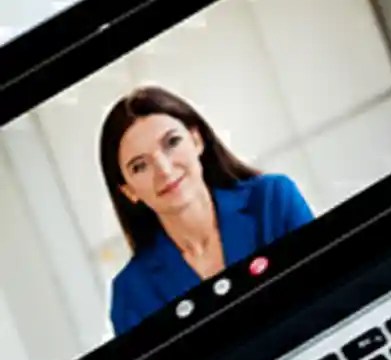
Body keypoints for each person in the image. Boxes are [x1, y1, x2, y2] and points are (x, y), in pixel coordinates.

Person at [101, 86, 314, 335]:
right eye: (140, 166)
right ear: (128, 191)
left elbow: (326, 289)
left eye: (172, 142)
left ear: (197, 140)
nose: (164, 170)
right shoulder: (131, 293)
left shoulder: (272, 199)